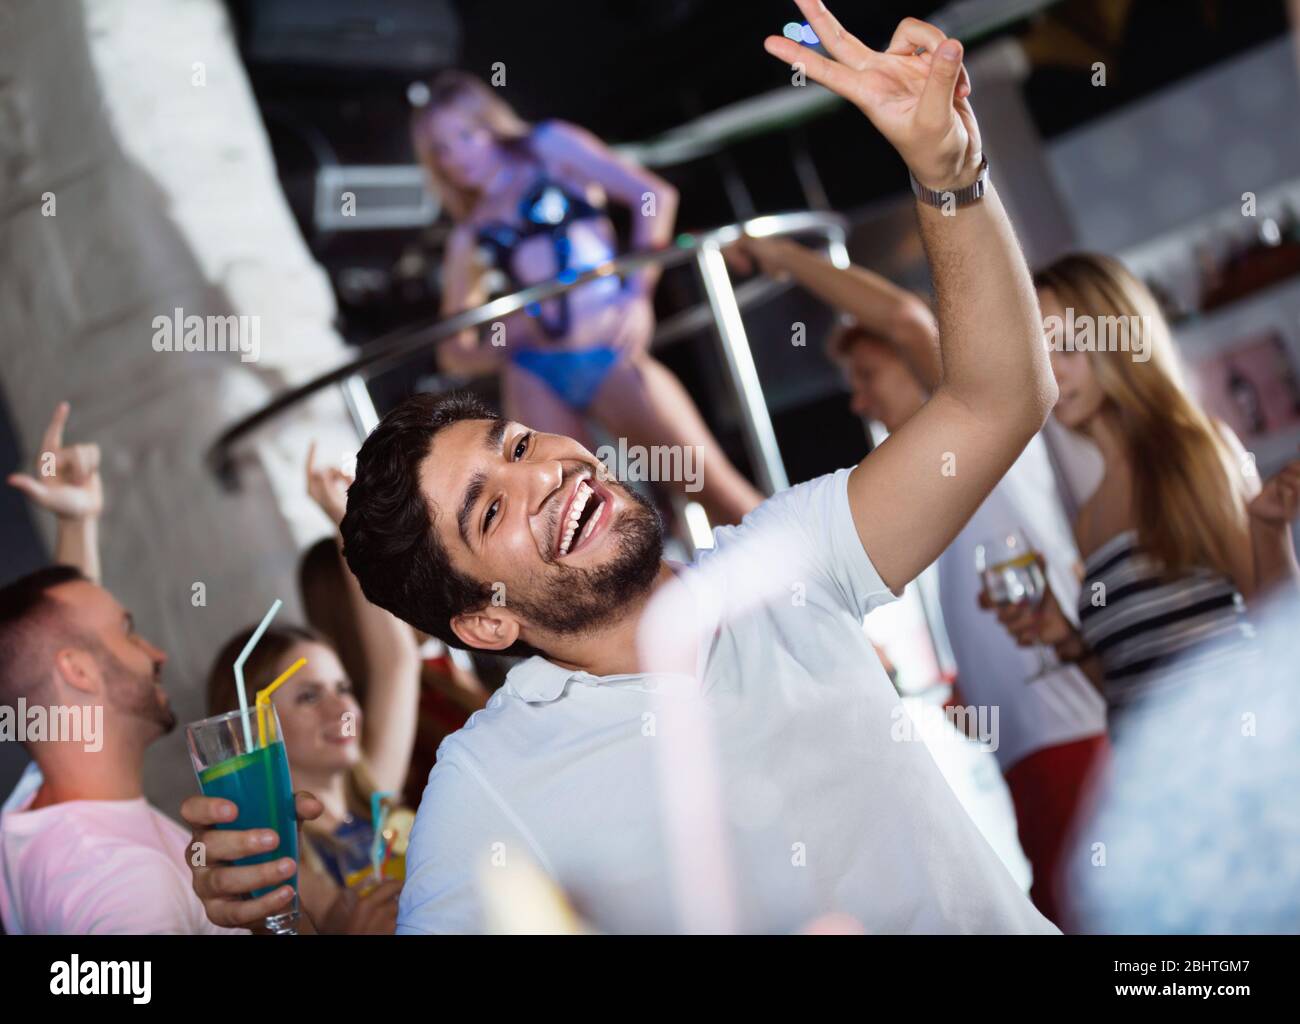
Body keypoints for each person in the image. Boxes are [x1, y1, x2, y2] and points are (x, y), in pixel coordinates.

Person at [184, 6, 1060, 934]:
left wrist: (948, 174)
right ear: (486, 621)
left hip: (607, 346)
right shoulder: (487, 788)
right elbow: (466, 342)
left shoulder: (782, 562)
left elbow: (997, 398)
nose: (540, 475)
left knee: (709, 471)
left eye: (518, 445)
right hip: (549, 357)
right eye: (489, 512)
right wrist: (290, 924)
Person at [728, 234, 1107, 926]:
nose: (859, 401)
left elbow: (907, 319)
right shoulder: (943, 483)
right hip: (1032, 748)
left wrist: (780, 256)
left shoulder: (994, 440)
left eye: (868, 375)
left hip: (1068, 739)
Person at [411, 69, 764, 526]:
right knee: (582, 517)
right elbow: (452, 351)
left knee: (711, 489)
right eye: (441, 149)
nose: (457, 155)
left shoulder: (550, 146)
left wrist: (638, 294)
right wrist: (511, 339)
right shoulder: (469, 232)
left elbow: (653, 195)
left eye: (465, 135)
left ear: (489, 123)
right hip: (535, 374)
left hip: (609, 350)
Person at [989, 254, 1300, 727]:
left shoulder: (1194, 451)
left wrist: (1268, 528)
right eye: (1038, 354)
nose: (1050, 373)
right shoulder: (1088, 519)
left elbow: (1276, 624)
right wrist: (1068, 641)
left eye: (1067, 346)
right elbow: (1128, 685)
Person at [0, 403, 242, 934]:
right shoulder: (124, 887)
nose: (156, 653)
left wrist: (77, 519)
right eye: (129, 631)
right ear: (79, 674)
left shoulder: (38, 805)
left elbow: (65, 639)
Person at [203, 445, 422, 934]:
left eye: (342, 686)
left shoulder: (373, 791)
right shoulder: (281, 858)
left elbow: (397, 659)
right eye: (308, 696)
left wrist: (345, 520)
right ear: (257, 729)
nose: (342, 706)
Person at [299, 530, 491, 811]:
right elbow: (396, 661)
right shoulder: (386, 718)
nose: (426, 583)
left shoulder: (439, 669)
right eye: (400, 577)